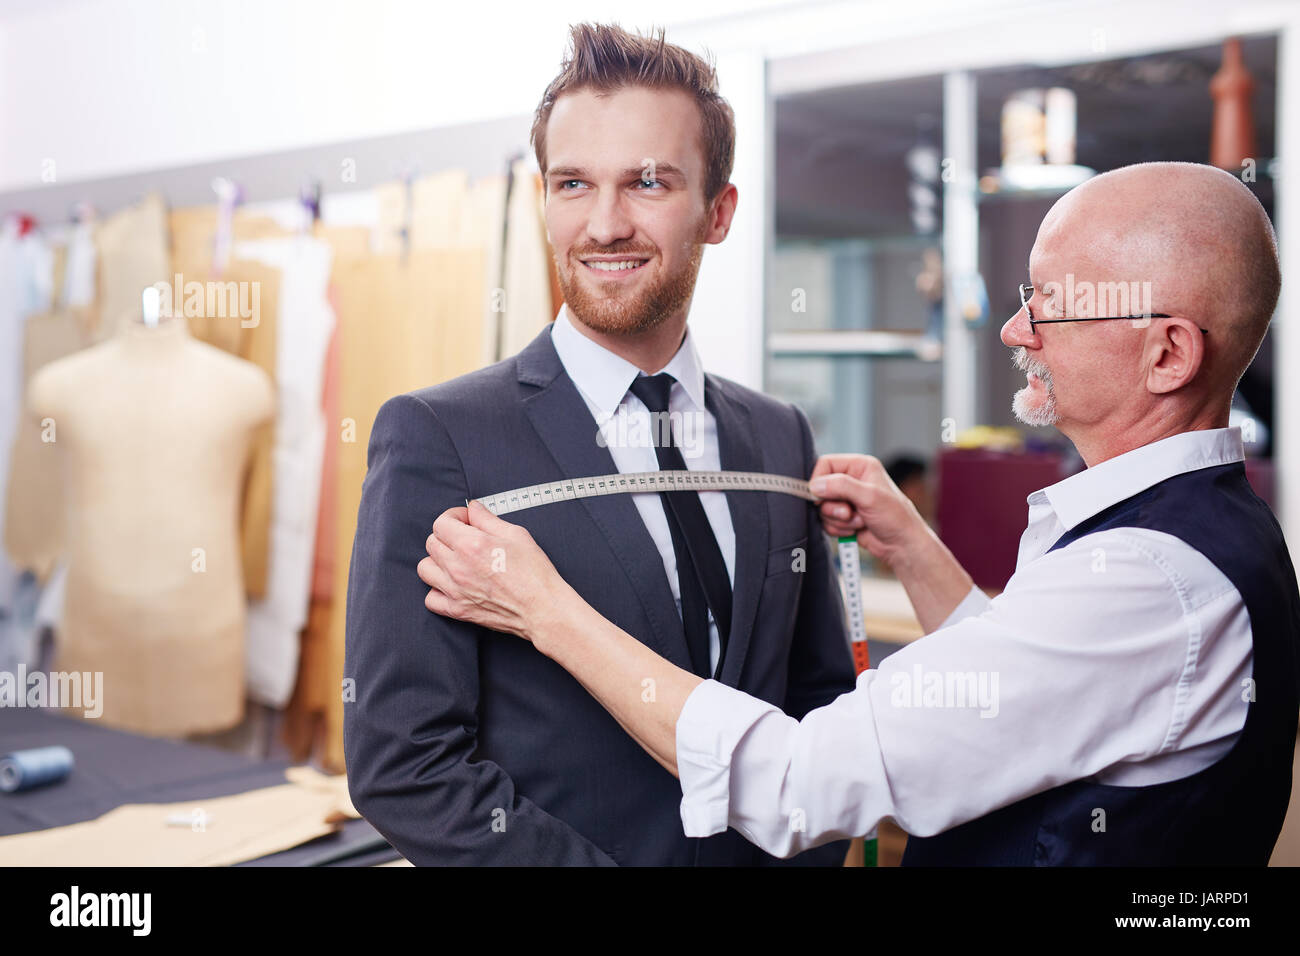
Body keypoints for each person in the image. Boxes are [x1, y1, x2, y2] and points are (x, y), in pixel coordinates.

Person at [420, 161, 1300, 865]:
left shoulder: (1151, 584)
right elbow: (1049, 700)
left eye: (1053, 305)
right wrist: (916, 552)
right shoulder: (1199, 542)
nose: (1016, 331)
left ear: (1168, 353)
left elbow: (801, 779)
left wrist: (548, 611)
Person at [343, 22, 856, 866]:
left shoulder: (776, 436)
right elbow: (407, 765)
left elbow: (818, 707)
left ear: (718, 211)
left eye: (648, 183)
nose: (605, 224)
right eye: (573, 183)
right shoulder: (442, 436)